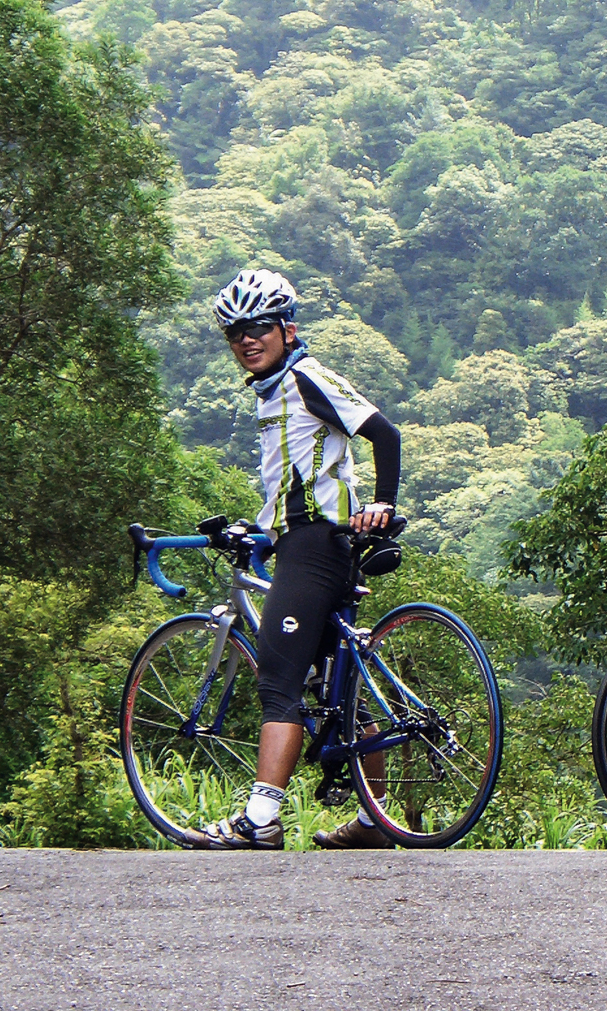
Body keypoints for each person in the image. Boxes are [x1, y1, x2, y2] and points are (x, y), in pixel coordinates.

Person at [197, 269, 404, 850]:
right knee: (337, 685)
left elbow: (384, 434)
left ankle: (260, 820)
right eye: (235, 332)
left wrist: (384, 503)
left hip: (313, 547)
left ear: (287, 329)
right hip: (308, 542)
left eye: (258, 327)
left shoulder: (307, 379)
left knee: (280, 680)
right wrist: (260, 529)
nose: (246, 340)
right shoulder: (274, 389)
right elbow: (295, 481)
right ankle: (375, 819)